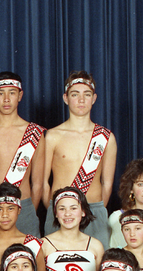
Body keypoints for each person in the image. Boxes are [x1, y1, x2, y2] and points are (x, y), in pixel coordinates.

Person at [41, 71, 117, 247]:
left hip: (94, 212)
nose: (81, 100)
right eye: (75, 94)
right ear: (66, 98)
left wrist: (93, 209)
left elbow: (107, 183)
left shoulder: (106, 137)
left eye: (87, 94)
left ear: (94, 98)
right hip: (59, 212)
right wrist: (55, 210)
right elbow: (43, 182)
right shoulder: (52, 136)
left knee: (97, 269)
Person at [0, 71, 45, 239]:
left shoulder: (34, 134)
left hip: (24, 208)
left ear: (20, 95)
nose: (6, 99)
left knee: (27, 261)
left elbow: (38, 184)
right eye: (0, 93)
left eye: (12, 93)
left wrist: (25, 210)